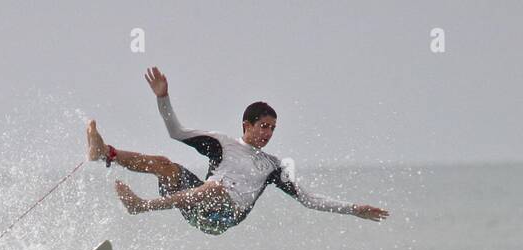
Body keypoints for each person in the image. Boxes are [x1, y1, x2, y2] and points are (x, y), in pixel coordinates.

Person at [87, 66, 389, 235]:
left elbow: (307, 199)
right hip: (196, 201)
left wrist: (353, 209)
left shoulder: (272, 166)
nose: (268, 133)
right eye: (264, 126)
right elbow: (175, 132)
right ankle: (105, 153)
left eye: (273, 128)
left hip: (222, 217)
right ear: (247, 125)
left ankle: (141, 206)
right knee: (165, 164)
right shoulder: (221, 144)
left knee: (216, 189)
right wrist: (163, 97)